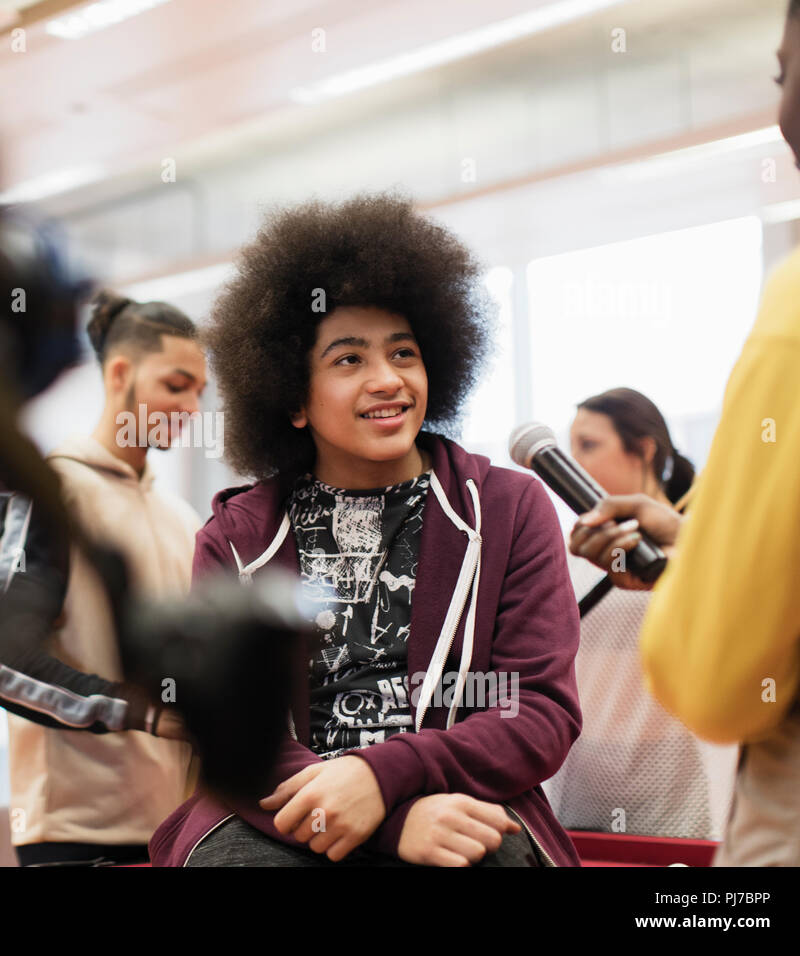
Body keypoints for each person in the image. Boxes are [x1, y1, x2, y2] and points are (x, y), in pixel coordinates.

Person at [150, 193, 583, 868]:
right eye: (349, 360)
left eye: (404, 353)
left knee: (487, 856)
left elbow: (538, 712)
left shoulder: (507, 507)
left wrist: (387, 779)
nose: (388, 380)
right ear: (292, 398)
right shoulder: (235, 536)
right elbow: (232, 729)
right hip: (281, 814)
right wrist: (375, 821)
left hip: (455, 795)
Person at [568, 0, 800, 865]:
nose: (783, 107)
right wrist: (695, 541)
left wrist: (688, 586)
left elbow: (717, 677)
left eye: (787, 76)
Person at [0, 290, 205, 866]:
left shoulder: (183, 518)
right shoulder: (53, 496)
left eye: (199, 392)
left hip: (175, 834)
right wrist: (137, 710)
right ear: (121, 374)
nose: (190, 408)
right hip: (73, 837)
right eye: (176, 386)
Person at [543, 388, 736, 840]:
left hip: (679, 777)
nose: (573, 462)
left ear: (644, 450)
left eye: (589, 446)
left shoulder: (707, 554)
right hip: (582, 777)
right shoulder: (561, 560)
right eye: (569, 448)